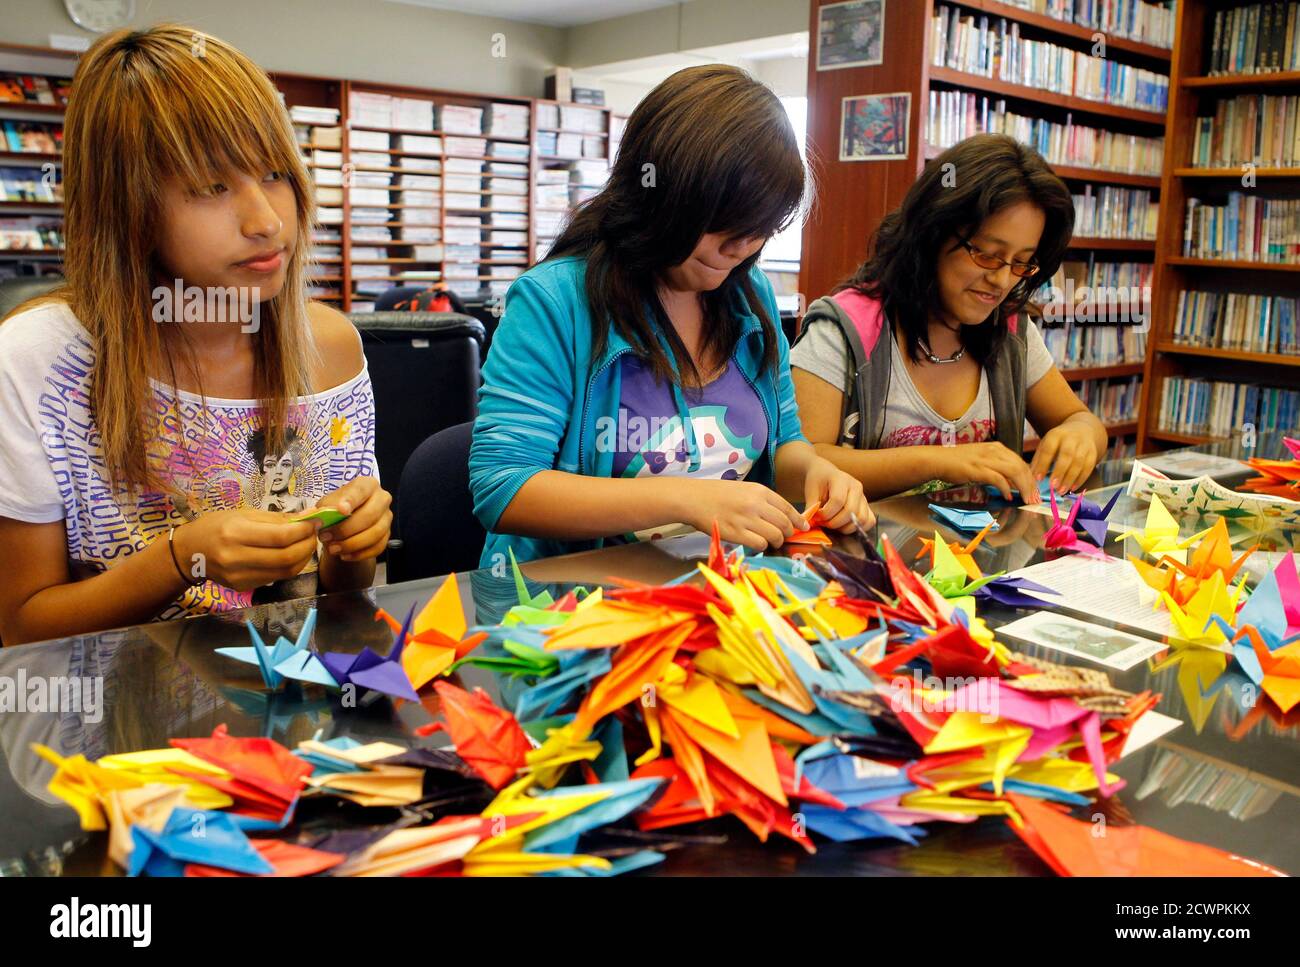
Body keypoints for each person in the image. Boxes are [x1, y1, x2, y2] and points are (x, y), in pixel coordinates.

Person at [0, 26, 391, 645]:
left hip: (290, 714)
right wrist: (180, 560)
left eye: (274, 174)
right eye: (210, 187)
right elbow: (23, 628)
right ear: (126, 206)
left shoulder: (331, 346)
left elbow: (341, 602)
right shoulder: (35, 362)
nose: (265, 221)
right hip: (112, 724)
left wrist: (354, 546)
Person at [469, 65, 873, 567]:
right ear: (659, 197)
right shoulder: (555, 301)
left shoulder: (751, 295)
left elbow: (785, 443)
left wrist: (816, 471)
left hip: (720, 592)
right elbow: (503, 488)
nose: (738, 249)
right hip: (568, 608)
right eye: (721, 224)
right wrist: (688, 498)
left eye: (758, 229)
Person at [791, 133, 1108, 503]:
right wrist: (939, 462)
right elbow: (799, 470)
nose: (1002, 280)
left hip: (978, 558)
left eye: (1022, 262)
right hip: (868, 554)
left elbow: (1082, 421)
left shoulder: (1010, 332)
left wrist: (1082, 434)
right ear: (932, 234)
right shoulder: (844, 330)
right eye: (987, 254)